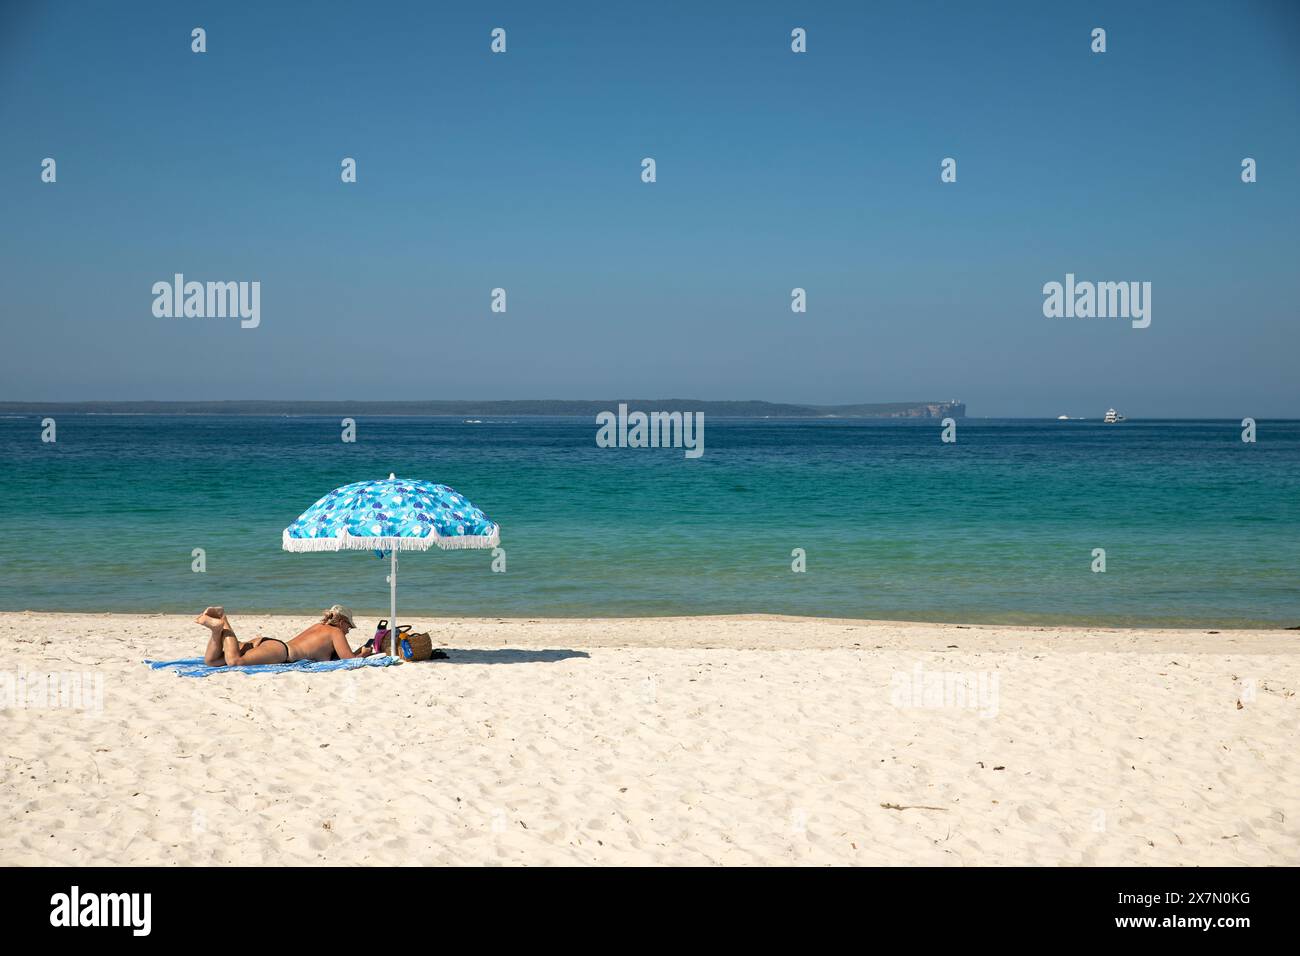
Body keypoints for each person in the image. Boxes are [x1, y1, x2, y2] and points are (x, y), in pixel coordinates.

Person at [194, 605, 374, 667]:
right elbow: (349, 661)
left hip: (266, 644)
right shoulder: (335, 631)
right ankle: (223, 620)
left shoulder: (319, 626)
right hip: (281, 652)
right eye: (348, 626)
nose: (348, 631)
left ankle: (218, 630)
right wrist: (363, 654)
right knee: (235, 661)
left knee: (212, 661)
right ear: (342, 622)